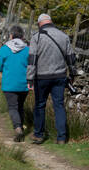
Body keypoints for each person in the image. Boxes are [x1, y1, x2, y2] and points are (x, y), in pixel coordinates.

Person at [27, 13, 75, 144]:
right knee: (59, 105)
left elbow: (32, 59)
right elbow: (71, 57)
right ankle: (61, 137)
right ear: (51, 21)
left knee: (40, 105)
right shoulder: (64, 36)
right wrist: (72, 74)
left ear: (39, 23)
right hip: (60, 76)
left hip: (41, 77)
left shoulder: (36, 37)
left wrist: (29, 79)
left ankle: (38, 135)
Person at [0, 25, 30, 141]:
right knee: (20, 106)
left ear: (11, 35)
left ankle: (18, 128)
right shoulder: (28, 49)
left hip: (9, 84)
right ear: (22, 36)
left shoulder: (5, 48)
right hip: (24, 84)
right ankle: (21, 128)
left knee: (13, 107)